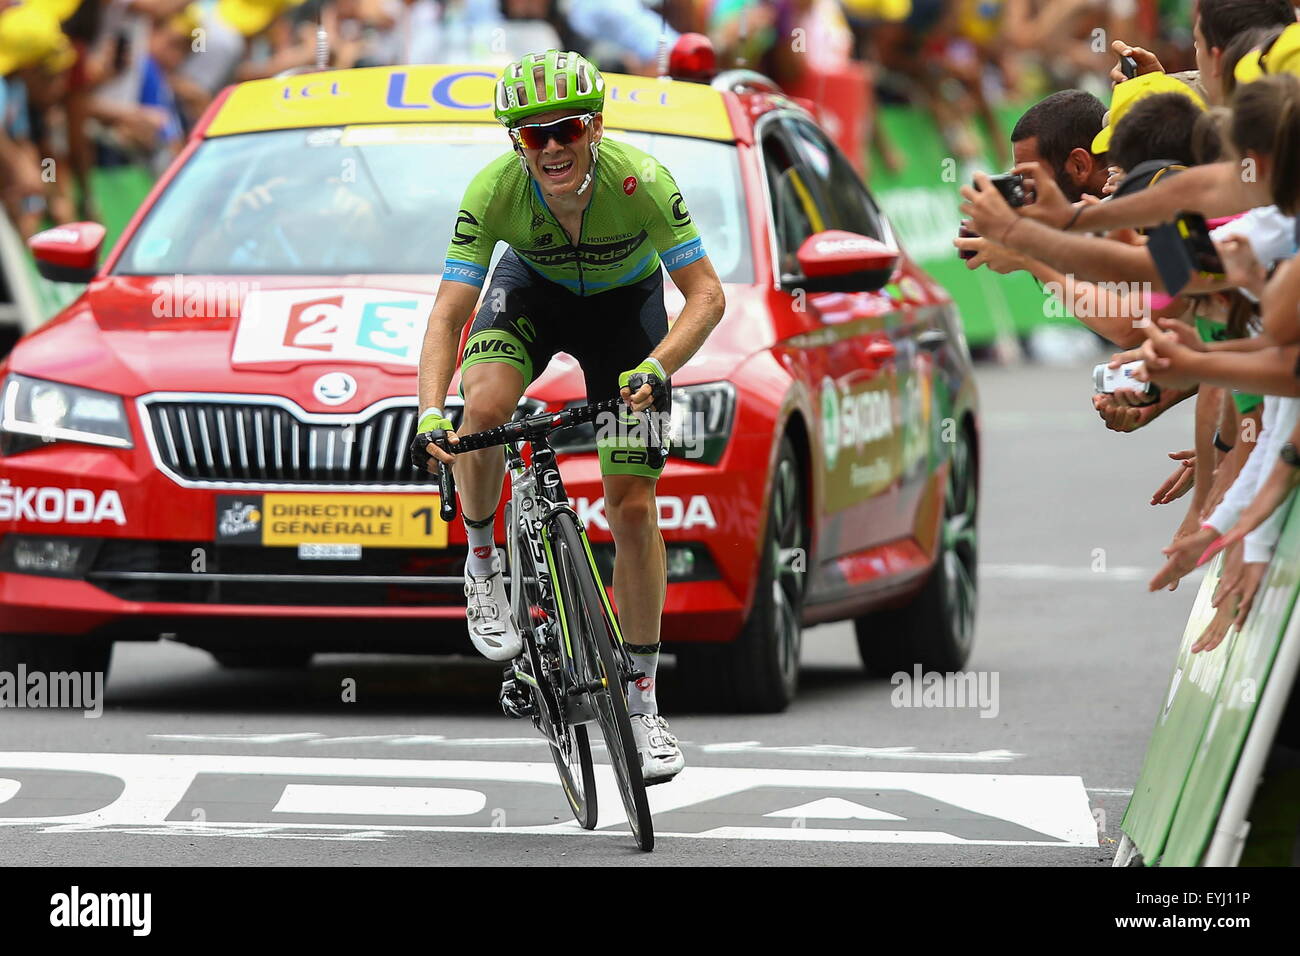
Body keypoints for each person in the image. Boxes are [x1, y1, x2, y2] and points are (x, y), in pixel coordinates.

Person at [410, 50, 725, 784]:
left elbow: (706, 295)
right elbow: (450, 310)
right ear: (515, 144)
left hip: (627, 321)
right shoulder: (493, 192)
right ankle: (484, 562)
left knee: (633, 504)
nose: (552, 147)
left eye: (566, 130)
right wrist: (431, 412)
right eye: (532, 136)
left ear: (595, 126)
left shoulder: (640, 181)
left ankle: (643, 704)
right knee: (482, 404)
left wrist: (658, 366)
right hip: (533, 296)